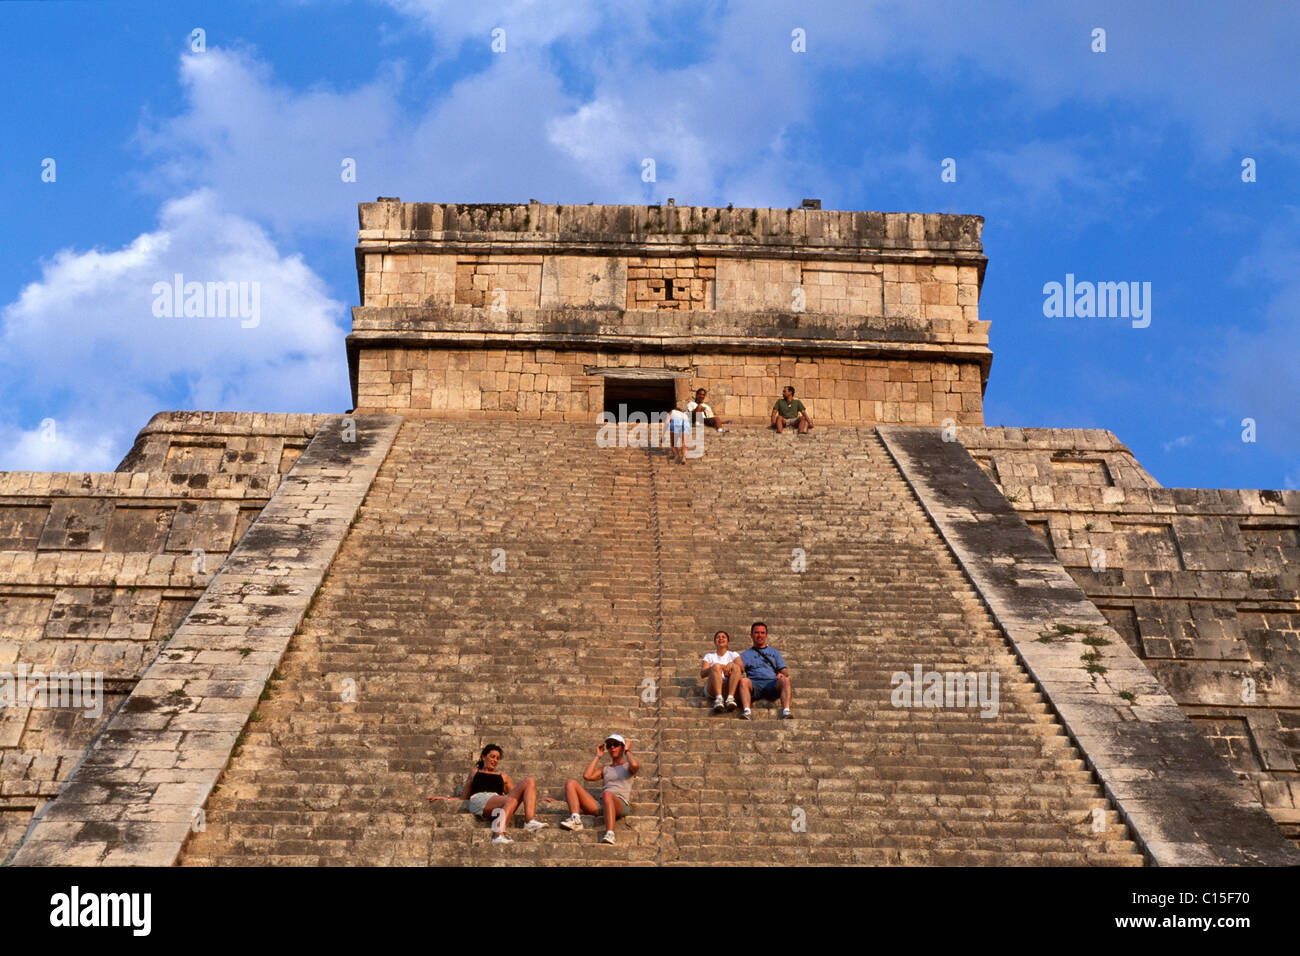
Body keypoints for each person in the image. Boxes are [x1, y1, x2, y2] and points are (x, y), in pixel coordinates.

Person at [427, 744, 548, 844]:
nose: (495, 760)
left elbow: (519, 795)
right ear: (483, 757)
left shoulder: (503, 776)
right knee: (509, 800)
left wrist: (540, 800)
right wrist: (444, 798)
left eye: (497, 758)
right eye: (492, 756)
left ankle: (529, 821)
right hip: (480, 800)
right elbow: (463, 797)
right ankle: (497, 835)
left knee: (530, 781)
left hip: (499, 800)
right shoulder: (475, 773)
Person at [560, 734, 639, 845]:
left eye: (616, 745)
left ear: (622, 747)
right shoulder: (605, 768)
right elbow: (587, 776)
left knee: (607, 794)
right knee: (570, 783)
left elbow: (635, 765)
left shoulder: (627, 766)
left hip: (620, 804)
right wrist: (598, 756)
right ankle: (575, 819)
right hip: (603, 804)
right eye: (609, 746)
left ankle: (610, 833)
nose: (612, 748)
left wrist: (627, 750)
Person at [737, 622, 793, 719]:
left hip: (771, 683)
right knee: (743, 681)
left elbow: (785, 672)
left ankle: (786, 711)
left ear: (766, 635)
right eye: (756, 632)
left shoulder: (774, 652)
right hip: (754, 684)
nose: (760, 635)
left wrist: (781, 674)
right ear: (751, 635)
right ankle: (747, 711)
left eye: (762, 633)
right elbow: (738, 670)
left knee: (786, 680)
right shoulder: (745, 655)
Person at [700, 630, 743, 713]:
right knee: (716, 666)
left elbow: (741, 668)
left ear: (728, 642)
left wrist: (731, 664)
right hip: (712, 687)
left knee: (736, 667)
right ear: (715, 642)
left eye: (723, 637)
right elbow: (702, 673)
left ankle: (730, 698)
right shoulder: (709, 656)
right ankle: (718, 698)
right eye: (718, 637)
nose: (720, 639)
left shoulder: (733, 655)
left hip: (729, 685)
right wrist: (716, 668)